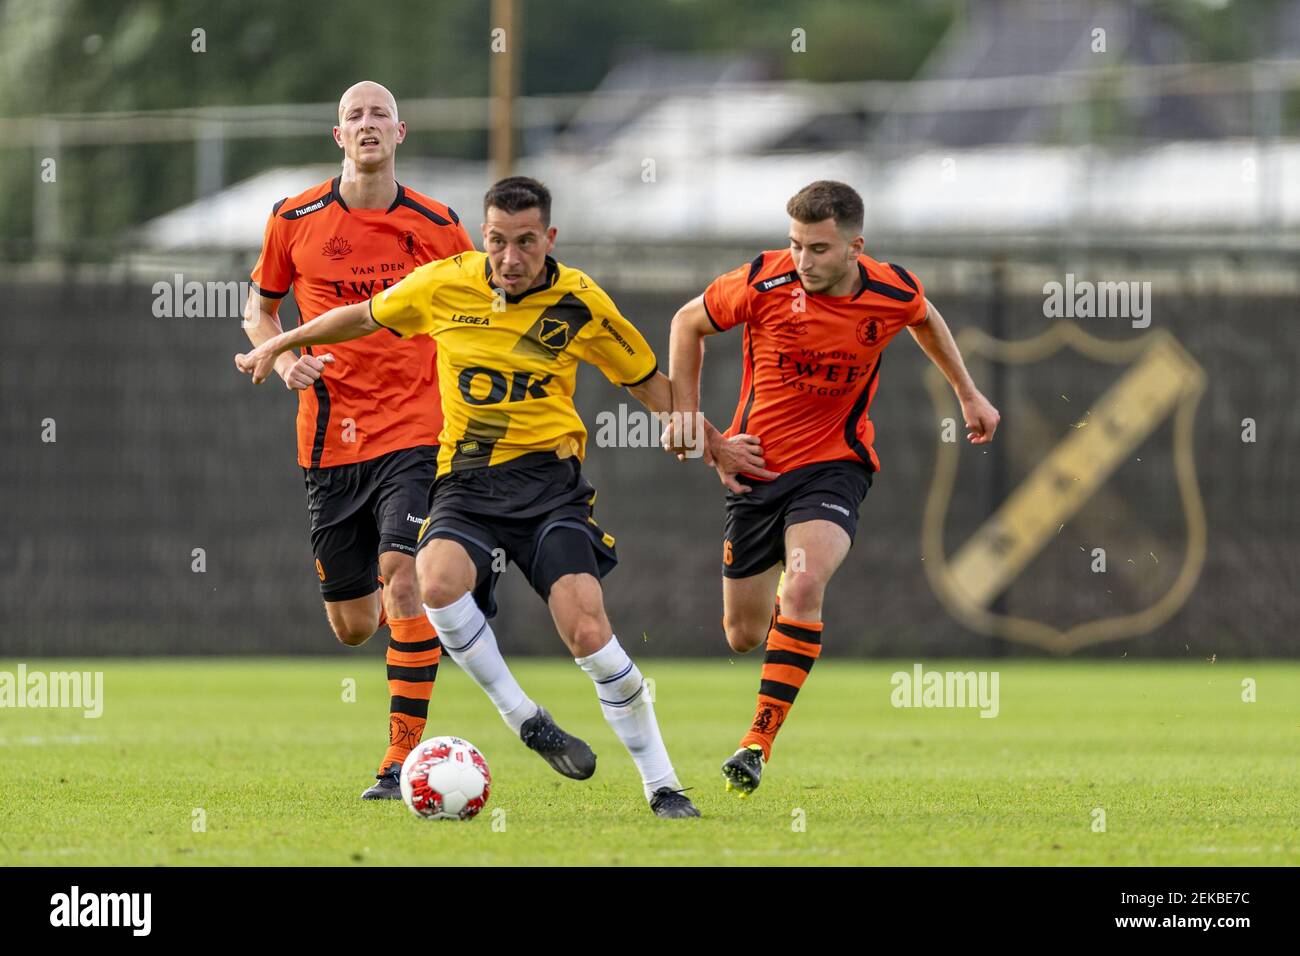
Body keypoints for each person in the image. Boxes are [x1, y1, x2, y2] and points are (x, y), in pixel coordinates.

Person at [238, 176, 764, 816]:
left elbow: (649, 383)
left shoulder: (581, 302)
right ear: (482, 236)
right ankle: (524, 718)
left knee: (587, 631)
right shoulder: (444, 283)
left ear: (550, 238)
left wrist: (713, 447)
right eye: (496, 242)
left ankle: (662, 785)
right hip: (465, 484)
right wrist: (281, 342)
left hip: (549, 491)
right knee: (433, 583)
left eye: (524, 243)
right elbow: (362, 316)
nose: (509, 259)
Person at [665, 180, 1000, 796]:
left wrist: (967, 392)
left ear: (854, 247)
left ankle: (755, 743)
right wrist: (691, 421)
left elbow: (923, 317)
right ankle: (788, 639)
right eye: (795, 244)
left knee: (806, 579)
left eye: (818, 248)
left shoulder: (889, 289)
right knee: (741, 634)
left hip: (835, 465)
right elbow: (687, 323)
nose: (803, 261)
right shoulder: (764, 281)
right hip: (755, 468)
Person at [242, 81, 475, 798]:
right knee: (351, 625)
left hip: (416, 431)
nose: (367, 124)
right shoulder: (295, 216)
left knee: (402, 576)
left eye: (379, 114)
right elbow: (261, 309)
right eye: (354, 116)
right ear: (336, 135)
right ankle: (421, 621)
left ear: (400, 133)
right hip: (329, 443)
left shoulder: (439, 225)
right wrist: (283, 358)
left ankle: (401, 757)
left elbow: (478, 313)